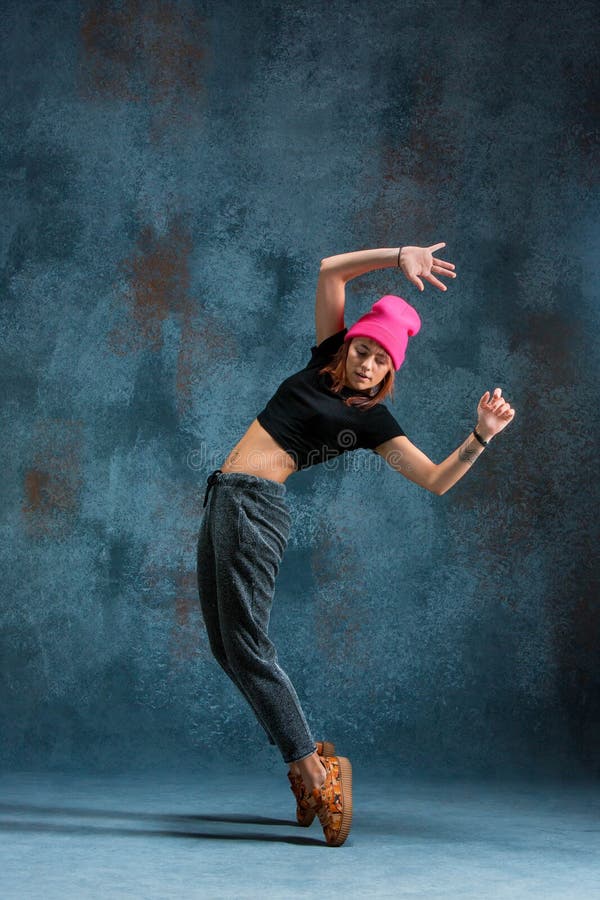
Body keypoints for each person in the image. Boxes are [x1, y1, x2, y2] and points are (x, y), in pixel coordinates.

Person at [196, 242, 516, 847]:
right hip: (223, 497)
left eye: (380, 360)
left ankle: (316, 771)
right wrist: (399, 257)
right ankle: (305, 764)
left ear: (390, 372)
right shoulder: (324, 358)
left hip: (254, 508)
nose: (367, 363)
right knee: (227, 648)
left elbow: (436, 479)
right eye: (363, 349)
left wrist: (480, 435)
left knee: (249, 649)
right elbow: (328, 271)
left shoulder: (373, 422)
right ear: (348, 347)